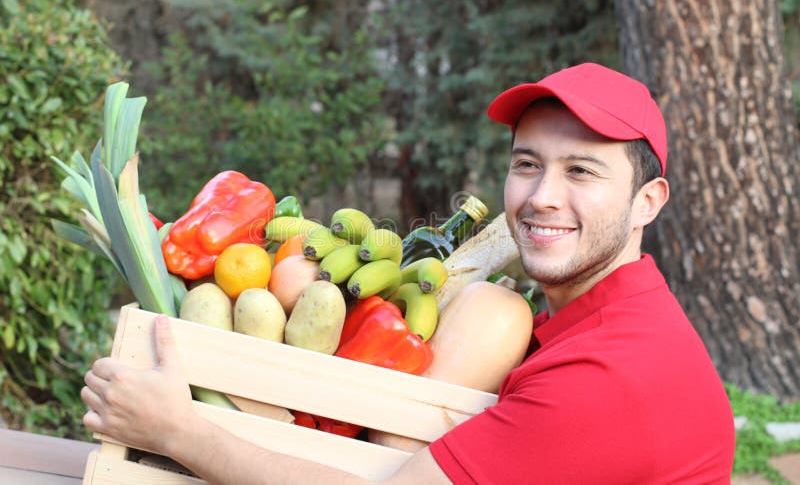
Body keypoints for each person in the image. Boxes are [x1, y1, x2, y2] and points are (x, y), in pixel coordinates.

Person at [81, 62, 735, 484]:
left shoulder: (614, 371)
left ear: (648, 201)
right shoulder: (575, 323)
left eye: (581, 171)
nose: (541, 197)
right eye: (528, 164)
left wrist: (178, 430)